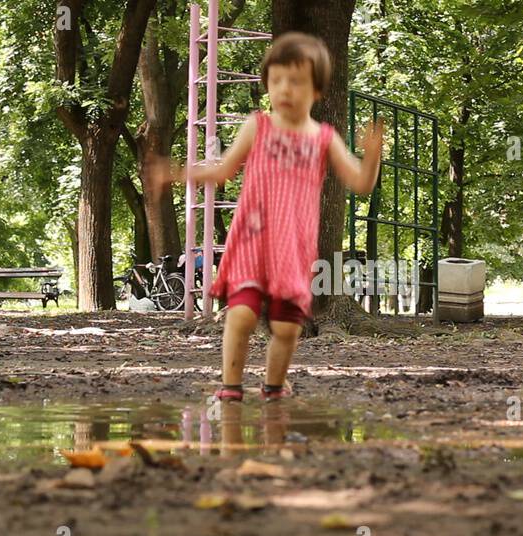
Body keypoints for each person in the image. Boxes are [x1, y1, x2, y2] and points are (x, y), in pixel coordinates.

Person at [152, 32, 383, 401]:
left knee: (286, 329)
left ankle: (274, 385)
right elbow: (222, 170)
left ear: (317, 90)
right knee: (241, 316)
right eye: (276, 80)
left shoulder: (323, 137)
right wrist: (180, 173)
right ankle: (230, 386)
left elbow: (360, 183)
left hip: (292, 252)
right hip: (250, 243)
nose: (284, 89)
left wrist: (372, 158)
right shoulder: (257, 126)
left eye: (295, 81)